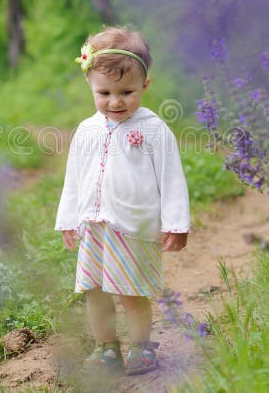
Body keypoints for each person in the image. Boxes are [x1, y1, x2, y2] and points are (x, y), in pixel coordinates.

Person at [55, 26, 190, 376]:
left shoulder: (153, 129)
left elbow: (171, 178)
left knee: (131, 291)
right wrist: (68, 218)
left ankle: (142, 347)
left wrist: (176, 222)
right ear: (90, 85)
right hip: (94, 226)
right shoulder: (87, 131)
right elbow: (74, 179)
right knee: (95, 291)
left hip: (133, 227)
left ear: (144, 86)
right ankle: (107, 349)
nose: (115, 102)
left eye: (126, 92)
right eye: (105, 93)